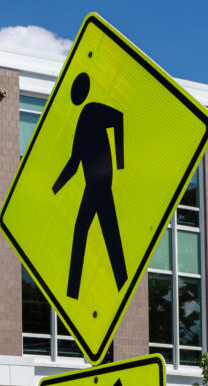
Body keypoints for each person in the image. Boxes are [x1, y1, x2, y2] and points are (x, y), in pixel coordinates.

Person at [51, 72, 126, 301]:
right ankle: (121, 282)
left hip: (99, 184)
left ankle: (73, 292)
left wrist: (121, 164)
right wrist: (53, 189)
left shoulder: (91, 110)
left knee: (82, 231)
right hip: (94, 184)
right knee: (109, 235)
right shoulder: (81, 122)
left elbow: (119, 118)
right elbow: (74, 163)